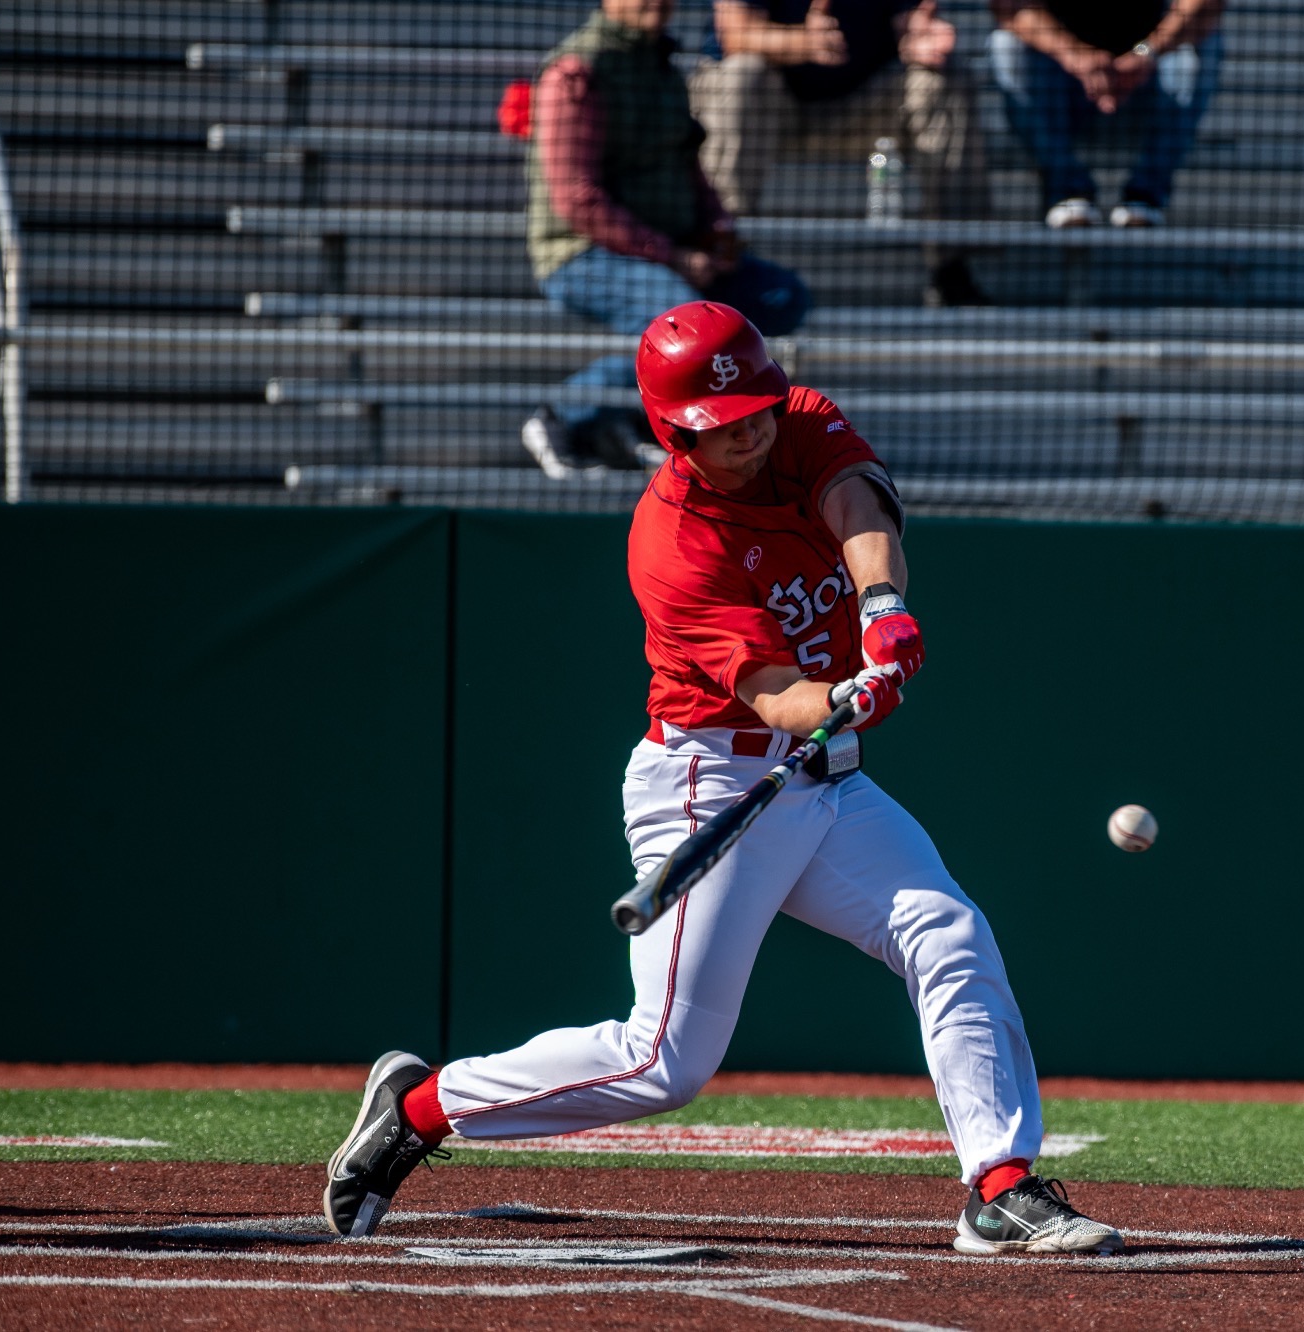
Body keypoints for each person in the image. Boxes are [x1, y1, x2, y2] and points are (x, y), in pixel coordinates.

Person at [325, 300, 1124, 1256]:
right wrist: (845, 696)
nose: (747, 434)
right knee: (661, 1062)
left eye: (755, 413)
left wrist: (879, 608)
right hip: (715, 780)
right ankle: (419, 1107)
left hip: (825, 786)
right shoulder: (672, 544)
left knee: (946, 930)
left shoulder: (797, 419)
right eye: (720, 427)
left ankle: (999, 1186)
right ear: (672, 432)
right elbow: (779, 696)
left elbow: (856, 503)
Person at [519, 0, 811, 479]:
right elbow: (577, 199)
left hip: (674, 253)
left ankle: (624, 422)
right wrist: (673, 255)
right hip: (580, 254)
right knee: (684, 328)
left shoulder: (663, 66)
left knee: (780, 299)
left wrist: (717, 228)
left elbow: (689, 167)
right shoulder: (576, 72)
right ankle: (560, 414)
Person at [690, 0, 990, 306]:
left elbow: (907, 20)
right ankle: (721, 255)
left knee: (945, 76)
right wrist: (803, 42)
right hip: (772, 105)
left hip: (861, 105)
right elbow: (735, 35)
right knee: (741, 72)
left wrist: (921, 38)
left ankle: (951, 268)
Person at [987, 0, 1224, 228]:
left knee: (1204, 42)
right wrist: (1073, 53)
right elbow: (1009, 6)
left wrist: (1146, 53)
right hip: (1062, 88)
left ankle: (1144, 196)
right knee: (1005, 43)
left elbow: (1205, 4)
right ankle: (1068, 191)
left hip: (1146, 82)